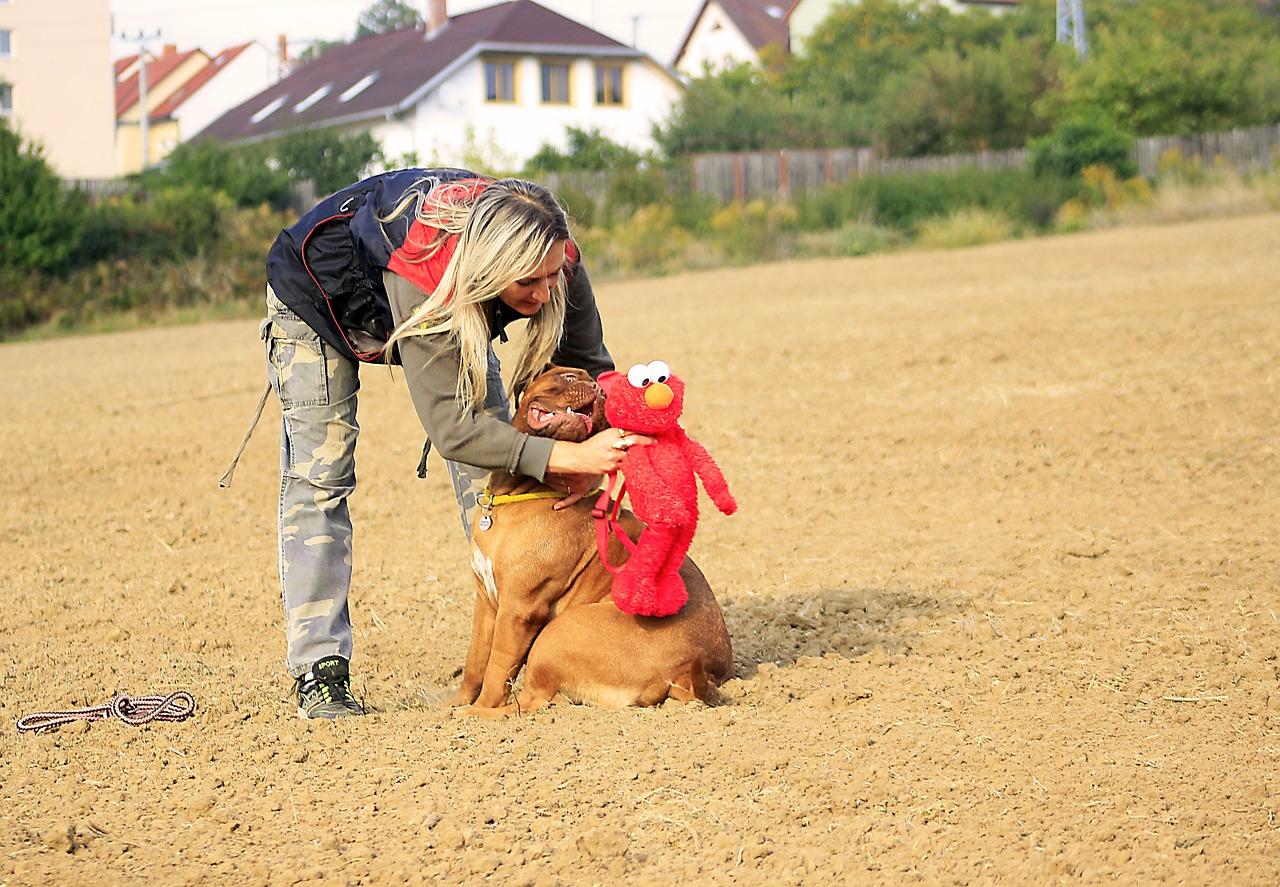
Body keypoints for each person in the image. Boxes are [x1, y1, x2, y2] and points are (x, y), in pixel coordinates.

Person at [242, 168, 644, 719]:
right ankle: (321, 674)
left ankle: (529, 640)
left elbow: (589, 370)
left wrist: (626, 434)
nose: (545, 292)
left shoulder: (553, 256)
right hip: (319, 299)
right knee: (321, 478)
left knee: (507, 478)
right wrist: (564, 456)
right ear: (493, 266)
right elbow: (453, 430)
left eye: (553, 277)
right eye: (529, 283)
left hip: (452, 299)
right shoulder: (425, 265)